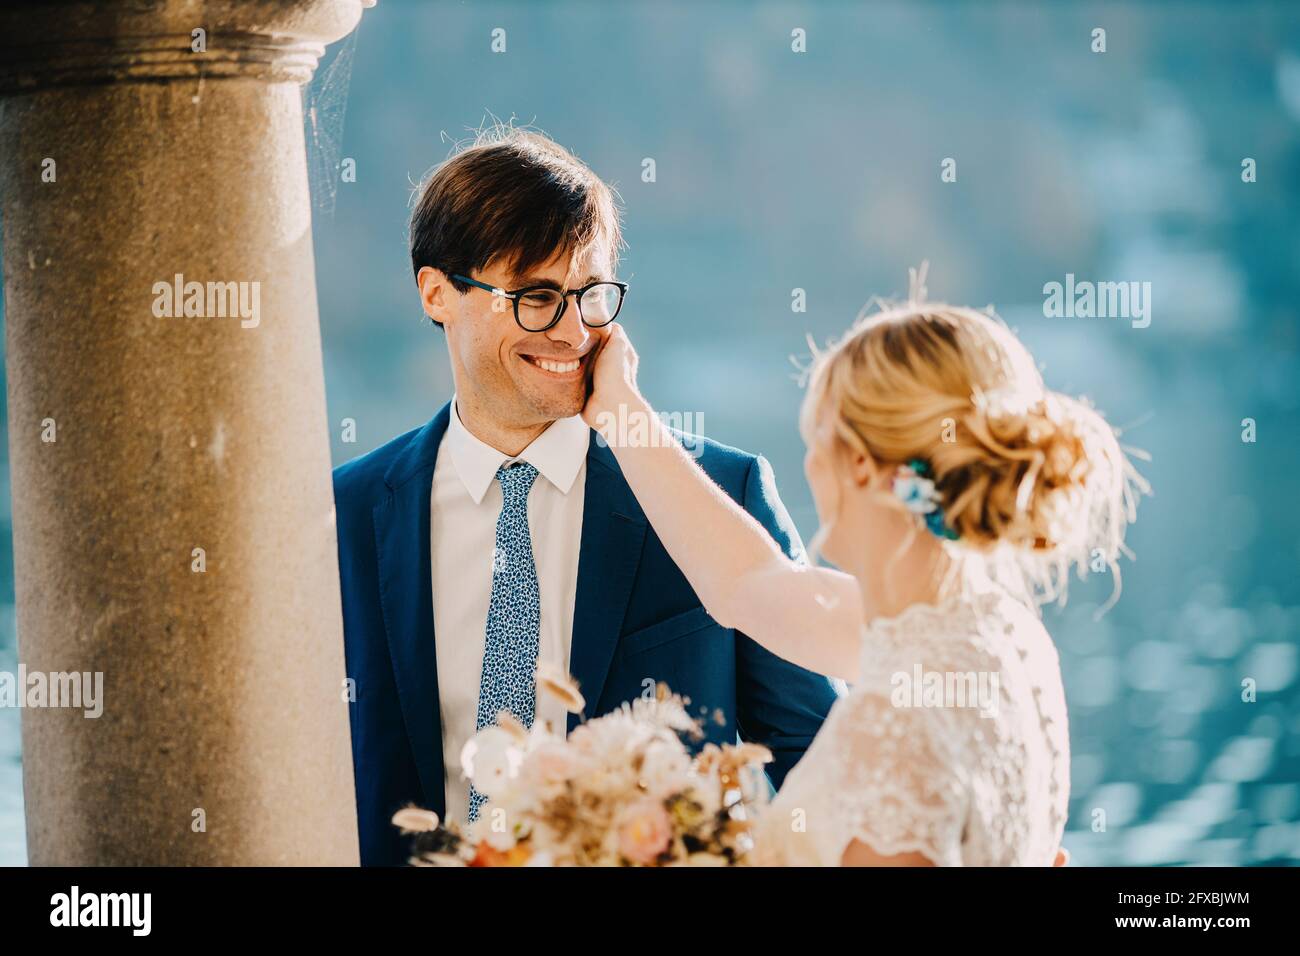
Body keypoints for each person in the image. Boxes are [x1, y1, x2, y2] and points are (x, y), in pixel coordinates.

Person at [332, 127, 840, 866]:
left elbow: (820, 766)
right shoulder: (341, 518)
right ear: (437, 292)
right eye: (538, 296)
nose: (574, 330)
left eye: (590, 295)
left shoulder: (721, 495)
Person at [581, 270, 1145, 865]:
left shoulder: (894, 734)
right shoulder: (1000, 635)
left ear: (858, 465)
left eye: (815, 435)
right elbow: (749, 586)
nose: (809, 461)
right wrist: (621, 409)